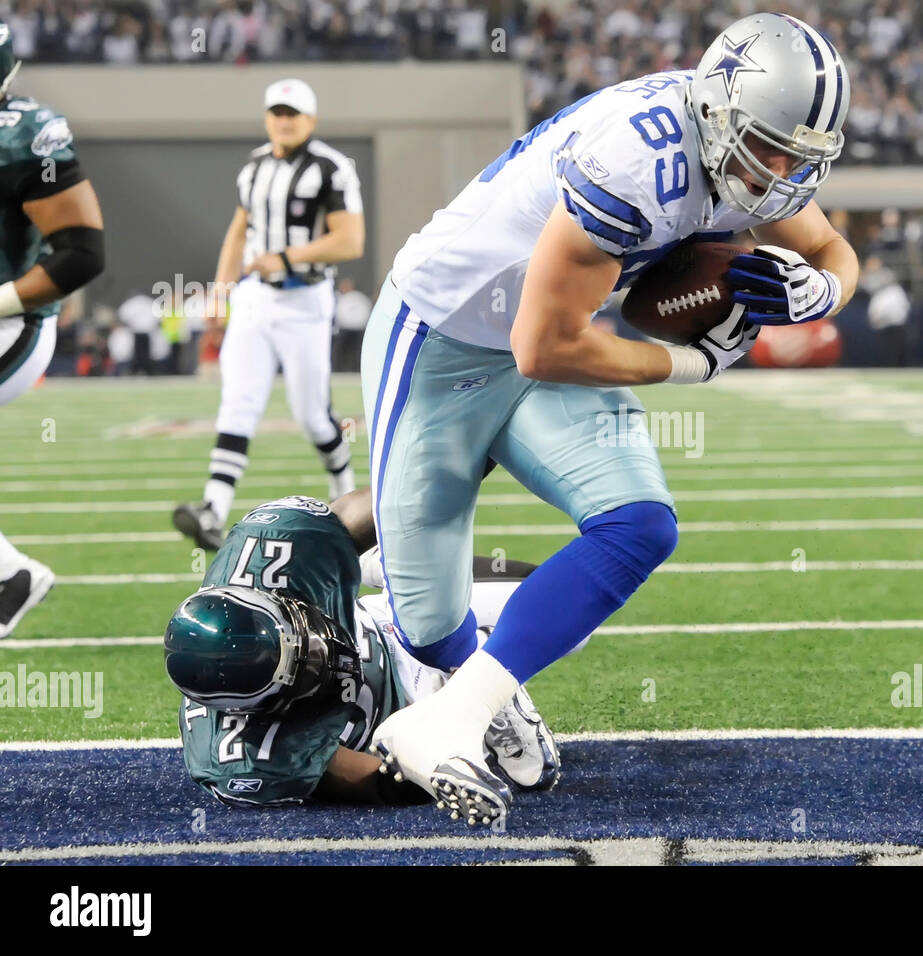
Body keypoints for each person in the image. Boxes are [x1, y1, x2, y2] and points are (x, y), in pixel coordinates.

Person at [361, 13, 858, 825]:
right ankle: (468, 691)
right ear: (717, 112)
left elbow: (833, 251)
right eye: (767, 150)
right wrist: (695, 362)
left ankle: (456, 712)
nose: (777, 177)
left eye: (797, 157)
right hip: (442, 338)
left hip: (544, 340)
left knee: (639, 525)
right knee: (427, 625)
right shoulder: (639, 164)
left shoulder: (749, 154)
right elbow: (541, 348)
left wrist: (821, 291)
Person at [163, 489, 560, 810]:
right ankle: (479, 679)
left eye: (303, 639)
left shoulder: (272, 548)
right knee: (523, 766)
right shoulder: (249, 756)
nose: (323, 655)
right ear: (252, 708)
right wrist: (439, 767)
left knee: (560, 611)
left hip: (387, 622)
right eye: (303, 672)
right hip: (402, 711)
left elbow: (395, 493)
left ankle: (389, 568)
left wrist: (464, 448)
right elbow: (382, 784)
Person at [172, 78, 365, 552]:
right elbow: (238, 231)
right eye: (276, 112)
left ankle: (350, 497)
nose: (284, 120)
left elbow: (350, 240)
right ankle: (213, 509)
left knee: (313, 416)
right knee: (237, 401)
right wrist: (221, 290)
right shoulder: (255, 167)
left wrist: (284, 257)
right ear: (266, 117)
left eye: (292, 113)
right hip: (257, 298)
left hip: (305, 299)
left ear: (311, 120)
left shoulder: (332, 168)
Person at [0, 20, 106, 638]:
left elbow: (81, 255)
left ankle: (13, 572)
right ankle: (10, 574)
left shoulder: (23, 136)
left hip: (13, 321)